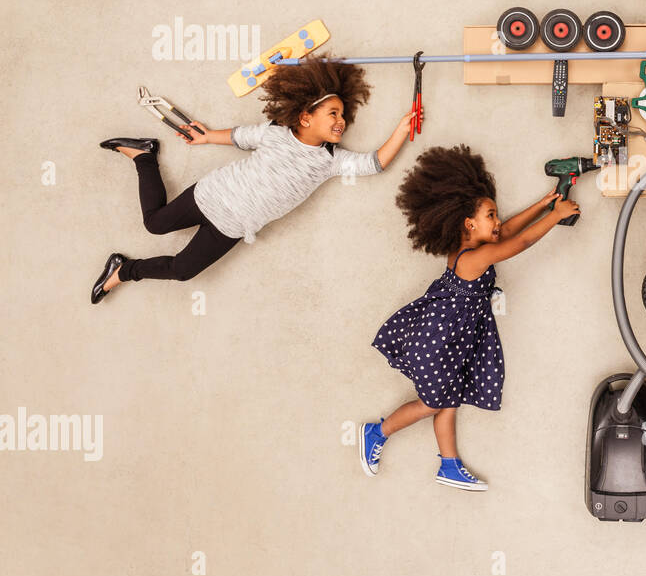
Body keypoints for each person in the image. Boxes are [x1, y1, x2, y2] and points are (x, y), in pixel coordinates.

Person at [93, 59, 414, 303]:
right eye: (333, 113)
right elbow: (239, 137)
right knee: (154, 224)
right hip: (213, 195)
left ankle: (124, 271)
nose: (341, 121)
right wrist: (207, 138)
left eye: (343, 115)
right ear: (305, 117)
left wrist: (402, 127)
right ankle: (144, 155)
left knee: (183, 271)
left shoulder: (330, 160)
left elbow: (374, 163)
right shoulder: (276, 133)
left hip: (232, 228)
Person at [358, 145, 579, 491]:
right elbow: (516, 244)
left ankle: (449, 464)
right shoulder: (474, 260)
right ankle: (377, 432)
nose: (498, 221)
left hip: (450, 340)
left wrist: (543, 204)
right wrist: (555, 216)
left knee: (448, 398)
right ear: (468, 223)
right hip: (437, 342)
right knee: (432, 404)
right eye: (491, 215)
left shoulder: (468, 248)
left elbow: (505, 234)